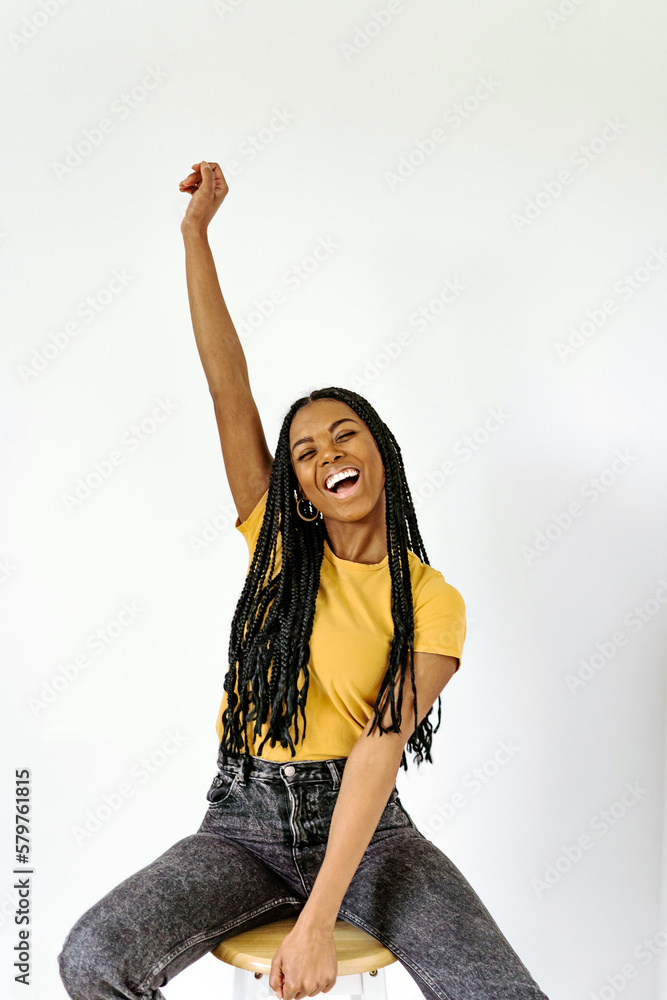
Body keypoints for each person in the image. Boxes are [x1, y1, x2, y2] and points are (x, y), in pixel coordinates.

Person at [57, 161, 550, 1000]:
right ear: (300, 491)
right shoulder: (280, 551)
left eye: (343, 435)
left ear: (380, 454)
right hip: (241, 828)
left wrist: (318, 920)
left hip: (372, 836)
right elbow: (227, 389)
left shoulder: (433, 600)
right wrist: (195, 235)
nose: (327, 455)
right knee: (93, 958)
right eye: (306, 453)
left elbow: (380, 747)